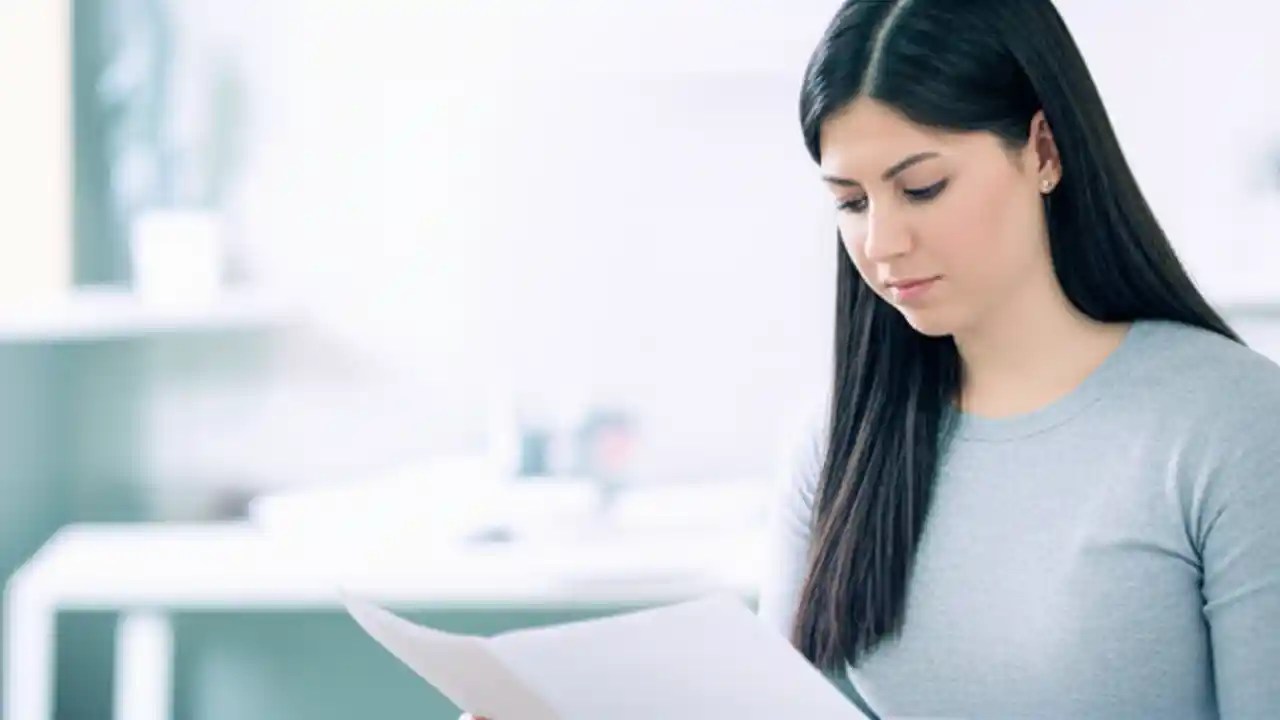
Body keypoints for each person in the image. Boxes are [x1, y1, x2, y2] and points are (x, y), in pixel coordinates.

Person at [462, 0, 1280, 717]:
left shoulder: (1227, 426)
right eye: (851, 203)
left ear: (1043, 149)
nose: (882, 244)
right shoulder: (839, 441)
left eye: (921, 188)